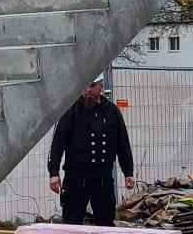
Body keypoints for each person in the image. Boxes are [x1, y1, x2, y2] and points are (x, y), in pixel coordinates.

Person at [46, 76, 136, 225]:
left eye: (92, 86)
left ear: (100, 86)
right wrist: (53, 173)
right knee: (71, 225)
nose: (88, 90)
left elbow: (123, 144)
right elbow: (57, 144)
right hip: (76, 179)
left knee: (106, 224)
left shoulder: (112, 111)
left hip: (103, 179)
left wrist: (128, 172)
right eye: (85, 86)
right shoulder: (71, 110)